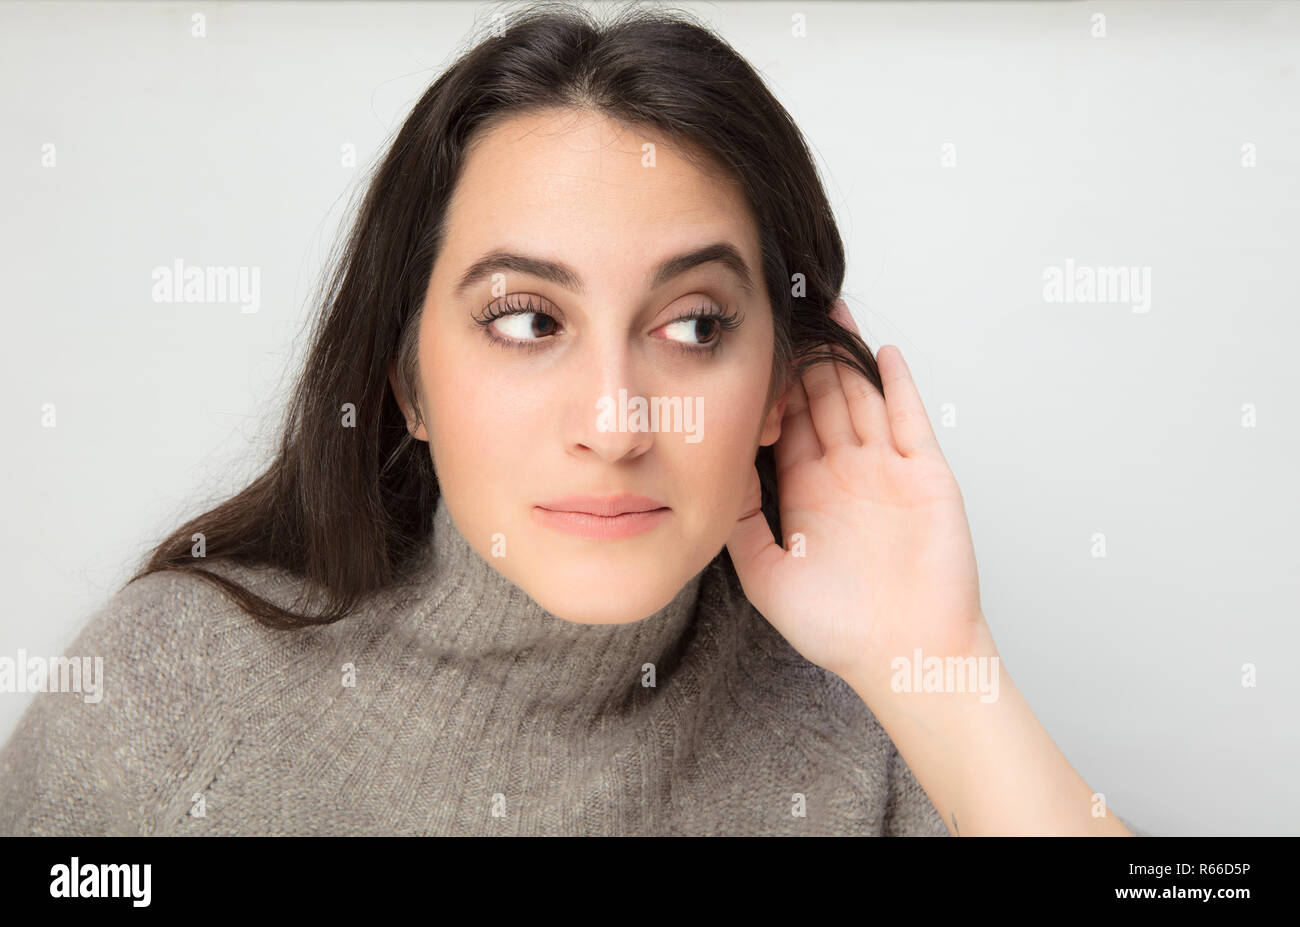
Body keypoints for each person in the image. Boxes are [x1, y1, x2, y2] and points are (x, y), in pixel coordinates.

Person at [0, 2, 1146, 836]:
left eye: (695, 326)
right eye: (525, 320)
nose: (614, 420)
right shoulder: (172, 697)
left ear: (776, 389)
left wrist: (941, 666)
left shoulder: (868, 729)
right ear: (406, 383)